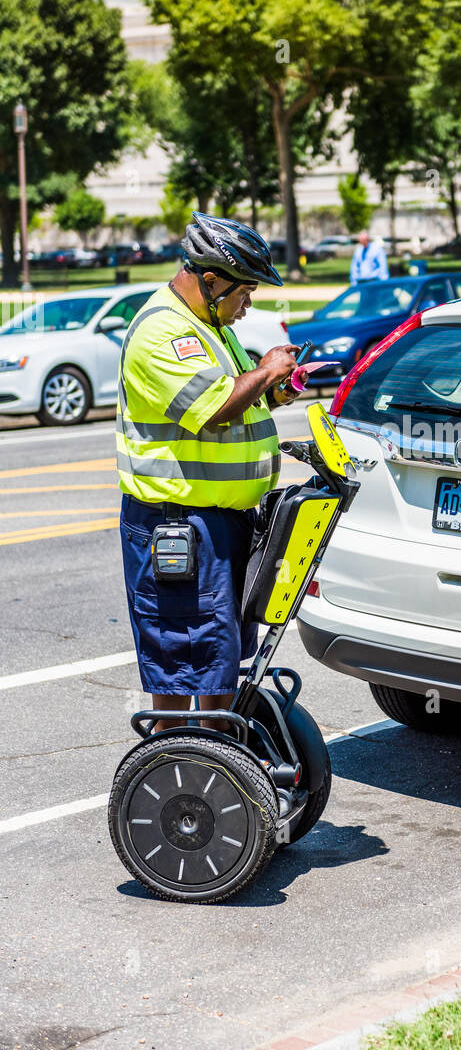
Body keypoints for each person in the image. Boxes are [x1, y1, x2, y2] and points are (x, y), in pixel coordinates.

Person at [116, 212, 308, 732]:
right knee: (182, 662)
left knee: (217, 659)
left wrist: (273, 388)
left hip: (218, 522)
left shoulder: (208, 326)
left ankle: (219, 767)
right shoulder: (163, 330)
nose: (248, 305)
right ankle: (180, 768)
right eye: (244, 292)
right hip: (177, 523)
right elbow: (211, 407)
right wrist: (265, 369)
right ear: (210, 279)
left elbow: (235, 396)